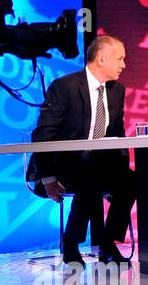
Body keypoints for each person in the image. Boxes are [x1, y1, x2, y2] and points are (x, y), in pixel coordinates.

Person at [28, 34, 135, 266]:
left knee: (130, 181)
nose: (124, 65)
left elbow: (118, 134)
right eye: (120, 59)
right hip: (64, 166)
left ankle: (107, 244)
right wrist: (48, 179)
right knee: (91, 176)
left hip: (99, 163)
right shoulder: (64, 87)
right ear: (102, 58)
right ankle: (71, 241)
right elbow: (43, 134)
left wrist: (121, 168)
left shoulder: (117, 91)